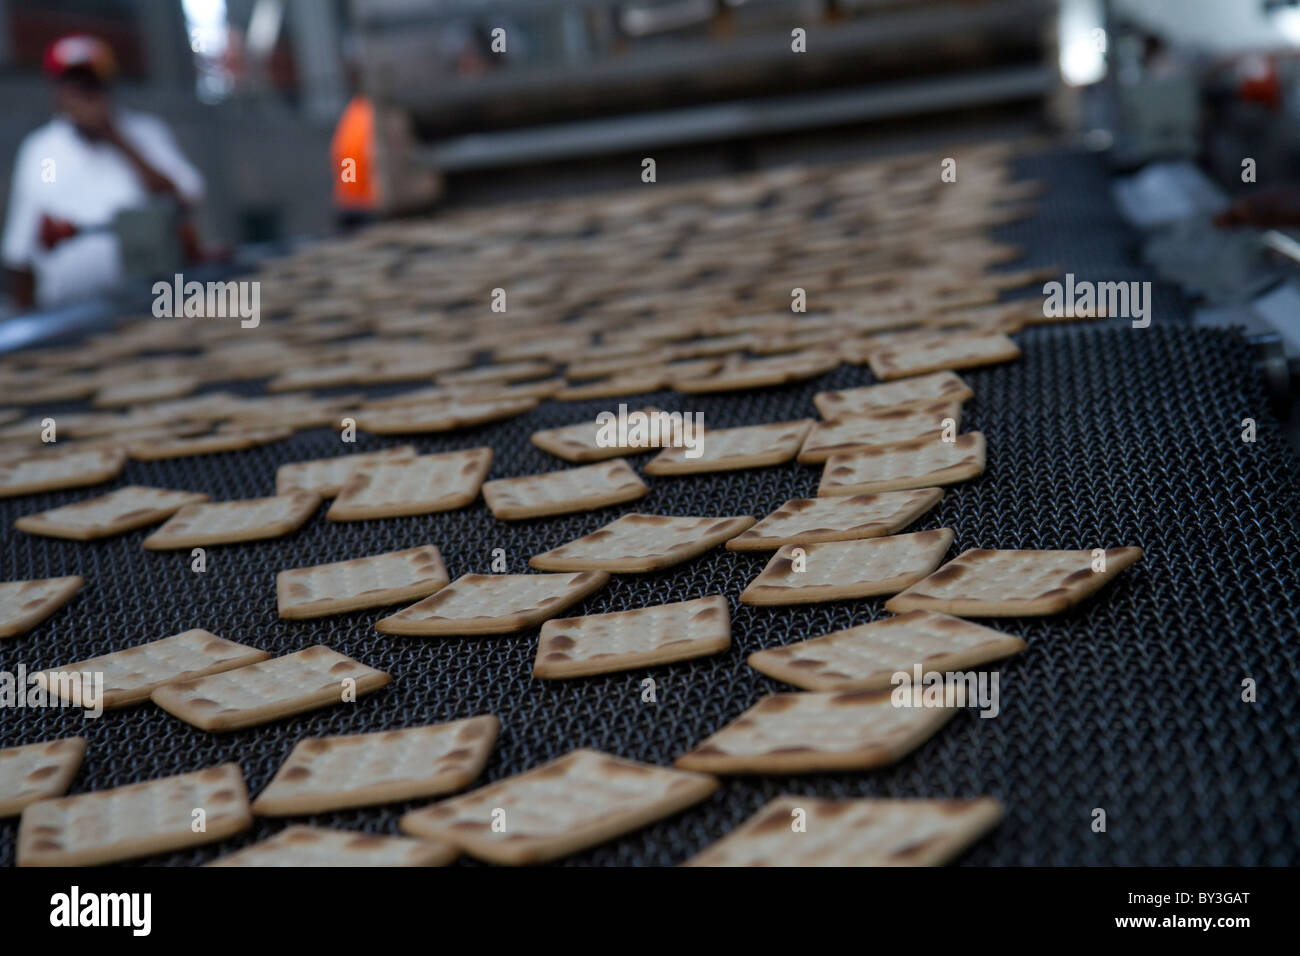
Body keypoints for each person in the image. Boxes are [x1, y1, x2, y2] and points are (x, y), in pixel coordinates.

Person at [2, 35, 205, 311]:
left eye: (91, 85)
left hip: (155, 302)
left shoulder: (144, 133)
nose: (83, 96)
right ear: (58, 91)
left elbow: (183, 198)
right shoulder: (43, 152)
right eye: (73, 86)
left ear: (107, 86)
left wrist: (114, 137)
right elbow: (22, 247)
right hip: (71, 313)